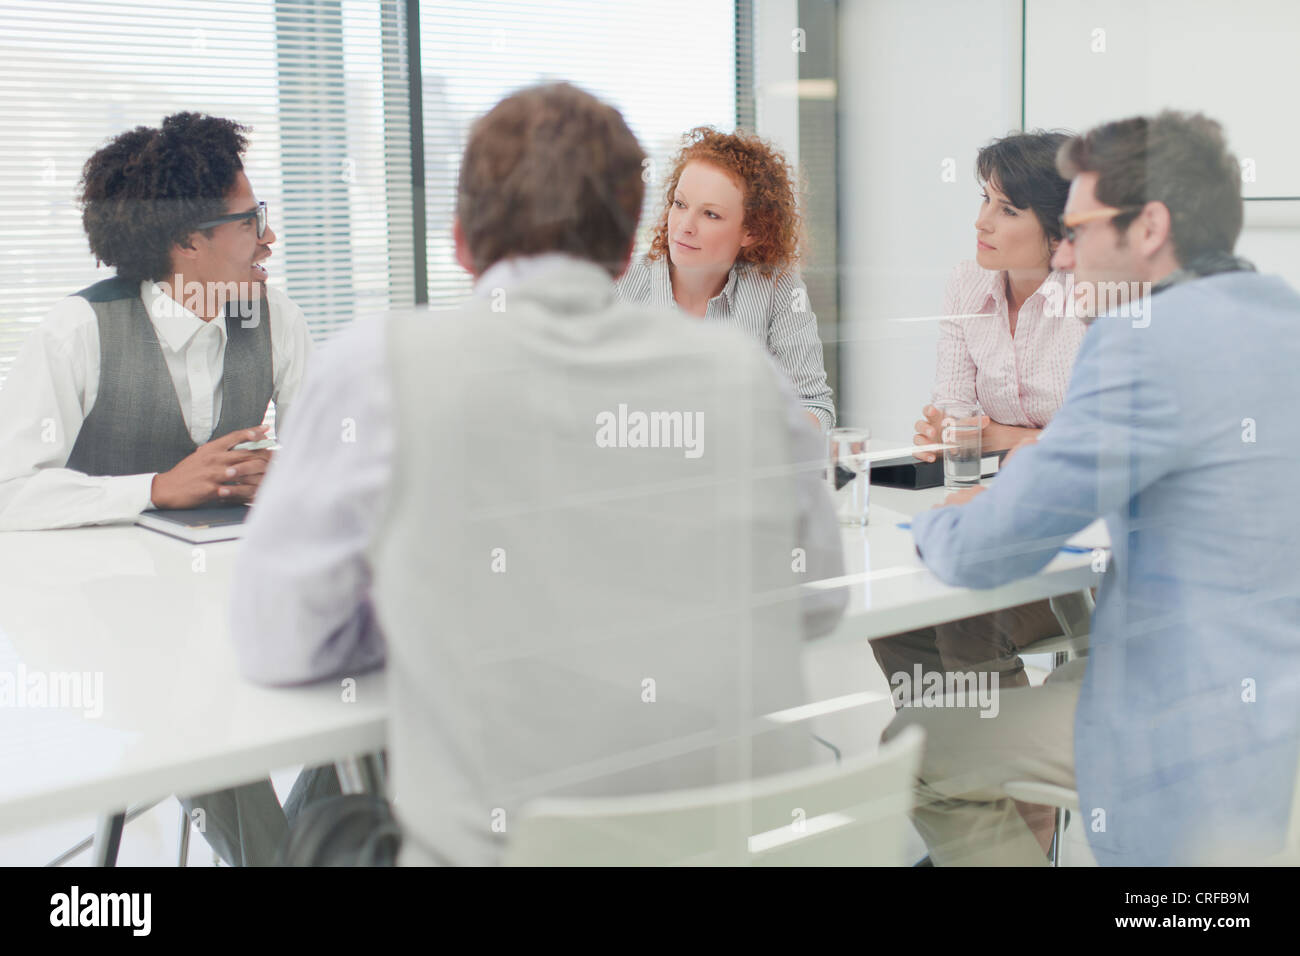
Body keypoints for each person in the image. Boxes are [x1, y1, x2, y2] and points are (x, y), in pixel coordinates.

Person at [229, 82, 847, 866]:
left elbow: (279, 640)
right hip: (743, 848)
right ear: (629, 248)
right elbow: (819, 602)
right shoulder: (747, 378)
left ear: (459, 241)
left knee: (333, 829)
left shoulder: (378, 369)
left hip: (502, 854)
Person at [885, 110, 1300, 866]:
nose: (1065, 259)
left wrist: (943, 523)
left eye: (1075, 235)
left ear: (1148, 229)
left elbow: (984, 553)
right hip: (1271, 698)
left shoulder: (1141, 340)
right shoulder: (1283, 316)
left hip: (1184, 727)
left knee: (913, 747)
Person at [0, 112, 332, 865]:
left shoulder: (273, 315)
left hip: (233, 611)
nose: (268, 239)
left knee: (382, 686)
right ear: (188, 242)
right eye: (250, 222)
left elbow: (336, 461)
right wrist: (155, 487)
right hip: (104, 634)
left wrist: (295, 469)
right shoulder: (77, 333)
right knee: (197, 707)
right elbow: (9, 490)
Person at [877, 133, 1084, 703]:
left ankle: (1009, 783)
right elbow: (958, 421)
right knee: (895, 612)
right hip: (995, 516)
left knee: (964, 618)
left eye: (1008, 209)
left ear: (1060, 231)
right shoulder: (967, 283)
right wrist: (961, 435)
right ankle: (953, 775)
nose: (981, 222)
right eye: (984, 200)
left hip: (1082, 537)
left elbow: (1095, 448)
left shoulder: (1093, 297)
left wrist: (994, 436)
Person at [616, 126, 835, 430]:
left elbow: (814, 405)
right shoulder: (621, 282)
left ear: (751, 231)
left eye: (711, 214)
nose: (685, 226)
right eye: (680, 204)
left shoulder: (778, 289)